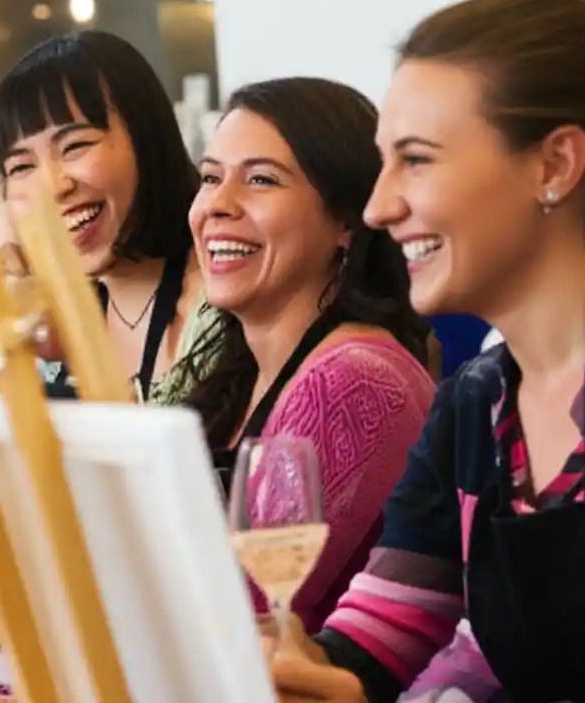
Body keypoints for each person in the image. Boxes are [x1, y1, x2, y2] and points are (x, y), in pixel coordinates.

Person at [271, 0, 585, 702]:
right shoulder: (478, 403)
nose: (379, 207)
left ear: (555, 165)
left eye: (415, 160)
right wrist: (300, 669)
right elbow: (376, 637)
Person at [181, 77, 433, 632]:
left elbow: (238, 615)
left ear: (346, 221)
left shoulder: (351, 381)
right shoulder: (242, 371)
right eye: (209, 178)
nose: (217, 206)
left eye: (261, 180)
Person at [0, 31, 202, 401]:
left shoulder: (223, 304)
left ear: (147, 135)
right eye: (22, 167)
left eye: (75, 146)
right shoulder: (46, 324)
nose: (53, 187)